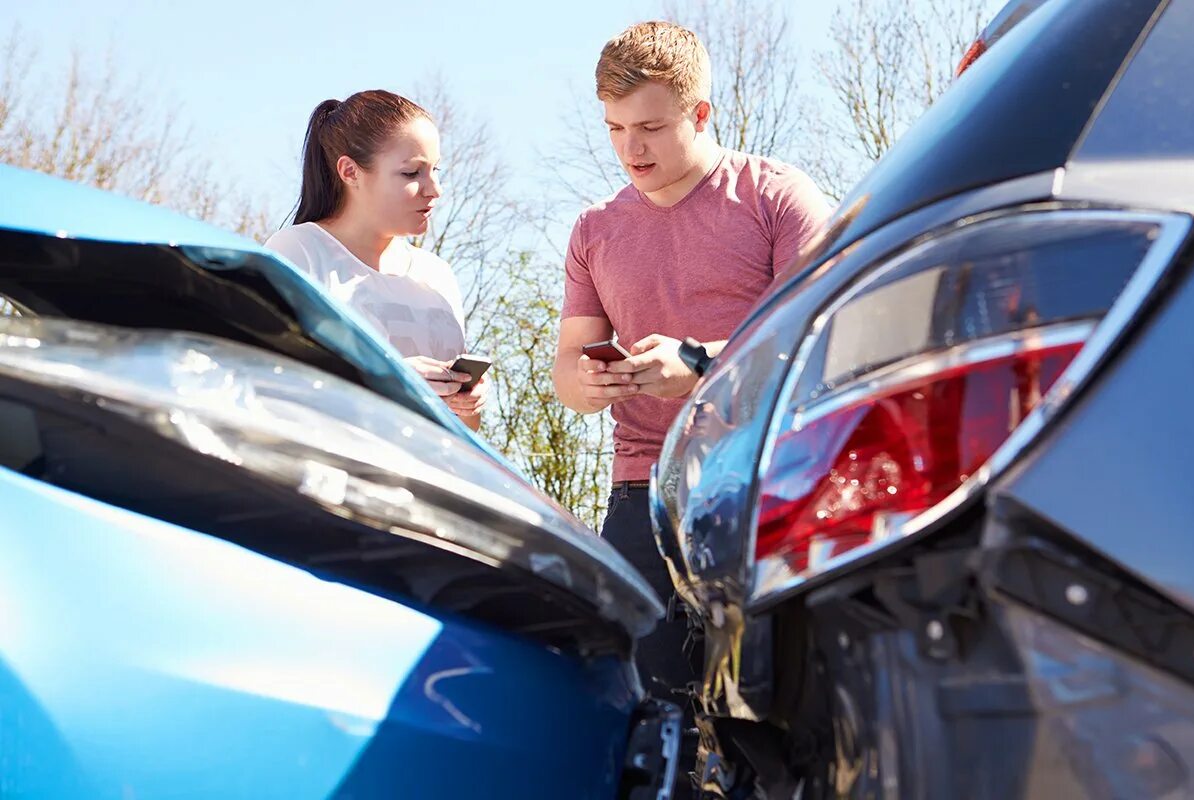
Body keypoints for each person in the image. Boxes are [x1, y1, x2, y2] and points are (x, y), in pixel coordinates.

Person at [551, 20, 832, 794]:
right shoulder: (593, 230)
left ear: (700, 114)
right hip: (640, 497)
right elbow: (567, 373)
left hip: (762, 488)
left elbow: (817, 343)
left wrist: (703, 365)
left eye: (649, 127)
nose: (629, 149)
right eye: (613, 129)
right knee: (646, 728)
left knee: (774, 729)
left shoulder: (776, 197)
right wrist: (592, 381)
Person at [266, 90, 486, 430]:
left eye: (436, 170)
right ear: (350, 171)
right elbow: (271, 389)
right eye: (412, 173)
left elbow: (465, 430)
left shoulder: (437, 274)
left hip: (429, 478)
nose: (434, 189)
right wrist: (390, 381)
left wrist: (468, 403)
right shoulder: (299, 252)